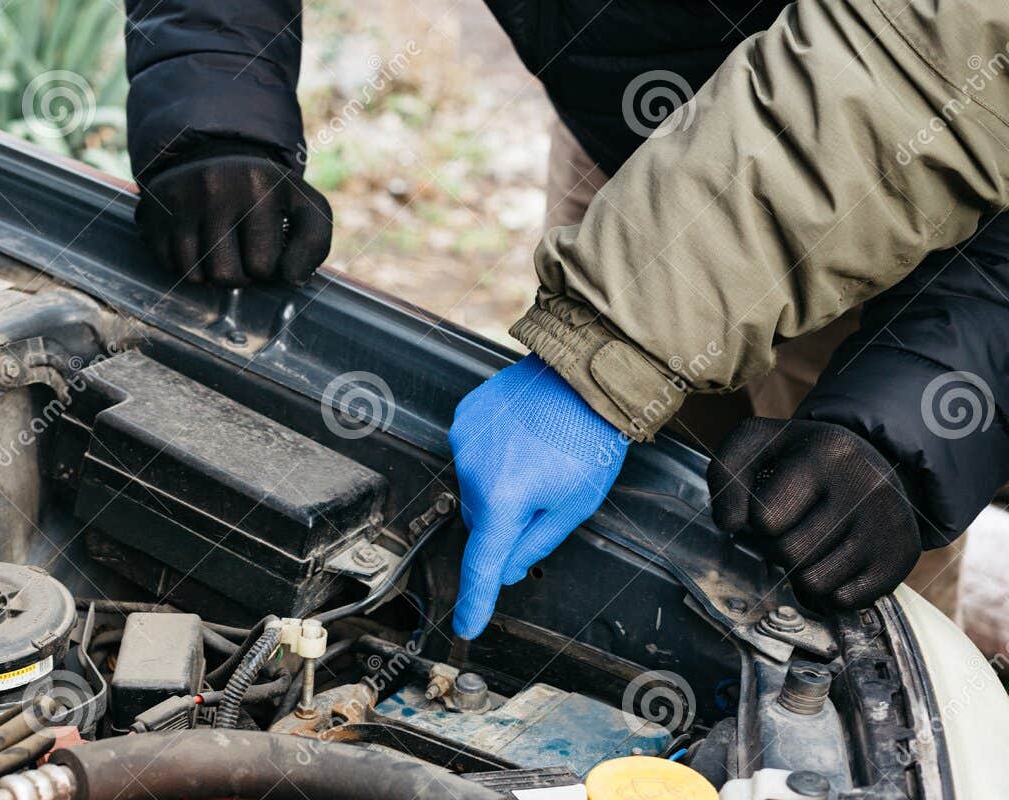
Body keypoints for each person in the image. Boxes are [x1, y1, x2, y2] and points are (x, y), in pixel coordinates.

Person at [122, 0, 1009, 637]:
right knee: (618, 530)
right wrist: (214, 101)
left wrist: (899, 431)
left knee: (827, 545)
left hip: (932, 232)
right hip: (635, 127)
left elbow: (943, 57)